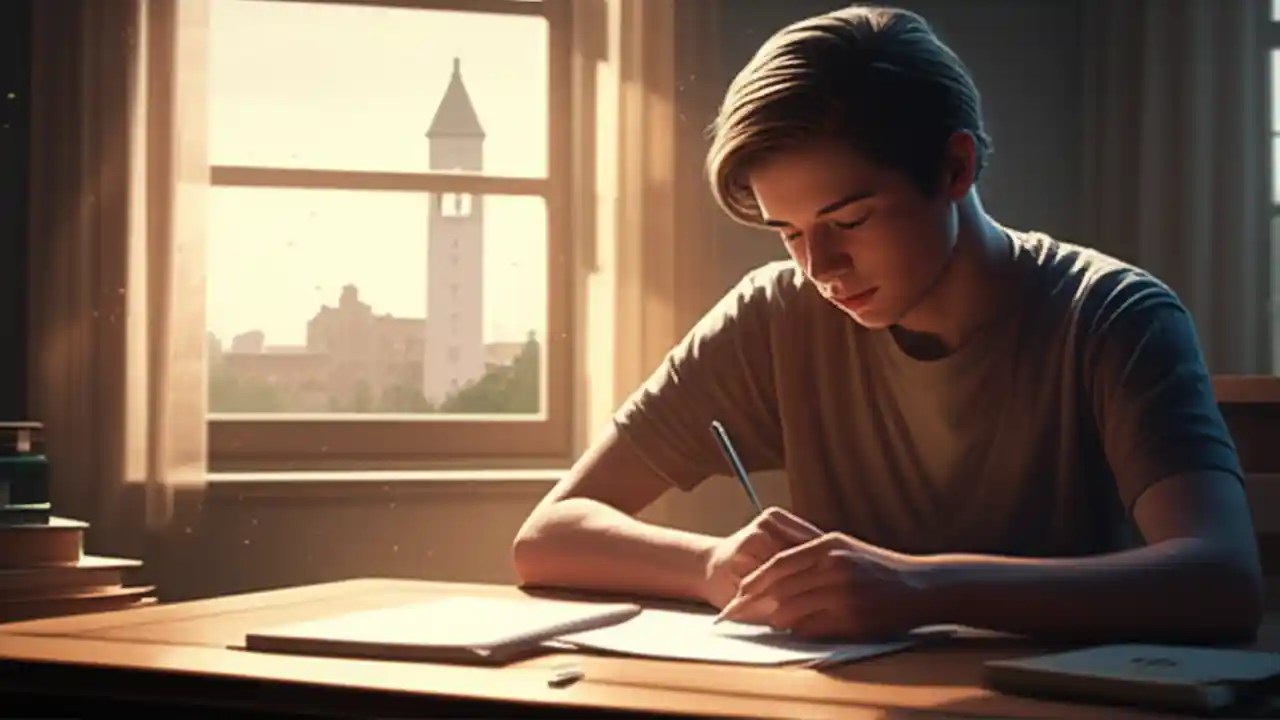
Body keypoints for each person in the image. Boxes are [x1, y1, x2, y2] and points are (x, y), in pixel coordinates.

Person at [511, 3, 1263, 643]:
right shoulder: (775, 316)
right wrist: (711, 565)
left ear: (955, 168)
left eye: (850, 220)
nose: (820, 267)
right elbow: (549, 535)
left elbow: (1223, 580)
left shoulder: (1111, 317)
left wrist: (925, 588)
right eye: (789, 232)